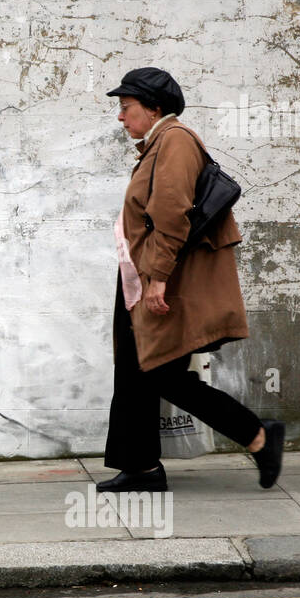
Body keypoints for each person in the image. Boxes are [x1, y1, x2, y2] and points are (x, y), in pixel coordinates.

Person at [98, 67, 283, 492]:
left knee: (159, 370)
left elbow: (171, 214)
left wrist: (158, 280)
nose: (121, 117)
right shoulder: (158, 144)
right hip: (142, 274)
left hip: (162, 279)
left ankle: (258, 436)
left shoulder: (175, 141)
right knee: (136, 368)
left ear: (154, 108)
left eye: (126, 108)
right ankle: (141, 467)